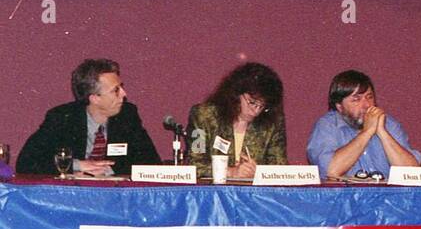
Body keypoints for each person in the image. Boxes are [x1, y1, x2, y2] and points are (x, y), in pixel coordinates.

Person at [16, 58, 161, 176]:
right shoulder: (62, 117)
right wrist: (77, 166)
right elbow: (26, 163)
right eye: (116, 90)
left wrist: (104, 171)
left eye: (121, 87)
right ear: (94, 98)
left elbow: (151, 163)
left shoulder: (128, 115)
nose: (124, 94)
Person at [306, 70, 421, 180]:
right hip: (345, 199)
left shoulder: (389, 124)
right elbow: (330, 171)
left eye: (369, 97)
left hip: (387, 198)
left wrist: (382, 132)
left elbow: (412, 174)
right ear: (340, 107)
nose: (366, 105)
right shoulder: (327, 126)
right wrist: (367, 132)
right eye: (356, 100)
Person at [186, 63, 288, 180]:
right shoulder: (203, 116)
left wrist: (258, 172)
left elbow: (279, 167)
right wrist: (230, 172)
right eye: (252, 102)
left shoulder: (273, 121)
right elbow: (194, 165)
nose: (256, 112)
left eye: (262, 106)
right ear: (236, 94)